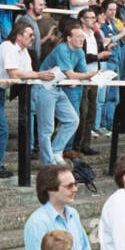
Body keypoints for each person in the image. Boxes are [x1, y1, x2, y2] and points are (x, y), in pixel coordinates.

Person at [0, 22, 51, 178]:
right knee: (0, 129)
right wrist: (39, 75)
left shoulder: (23, 51)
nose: (33, 38)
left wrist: (37, 75)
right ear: (19, 36)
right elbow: (14, 73)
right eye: (30, 35)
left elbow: (28, 72)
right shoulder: (8, 47)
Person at [36, 21, 92, 165]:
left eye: (83, 37)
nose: (82, 40)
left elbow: (82, 73)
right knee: (46, 128)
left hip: (58, 88)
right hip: (45, 87)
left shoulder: (79, 52)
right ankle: (48, 162)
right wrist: (93, 74)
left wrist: (83, 77)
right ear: (69, 38)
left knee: (72, 120)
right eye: (78, 37)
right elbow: (73, 75)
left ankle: (56, 151)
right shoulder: (61, 49)